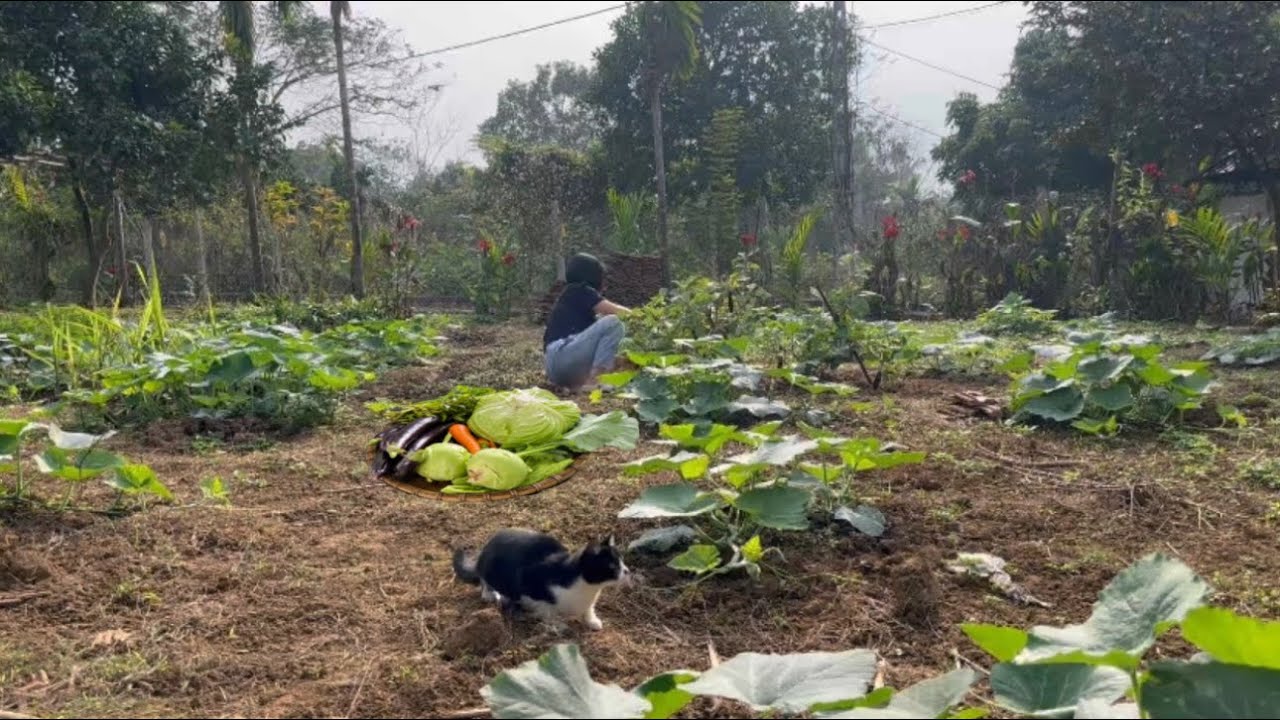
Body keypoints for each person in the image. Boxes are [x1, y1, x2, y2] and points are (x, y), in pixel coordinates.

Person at [543, 253, 629, 392]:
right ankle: (596, 380)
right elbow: (616, 312)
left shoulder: (570, 295)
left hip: (557, 367)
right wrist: (645, 315)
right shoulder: (580, 290)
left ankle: (581, 385)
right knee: (613, 323)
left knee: (607, 331)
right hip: (561, 356)